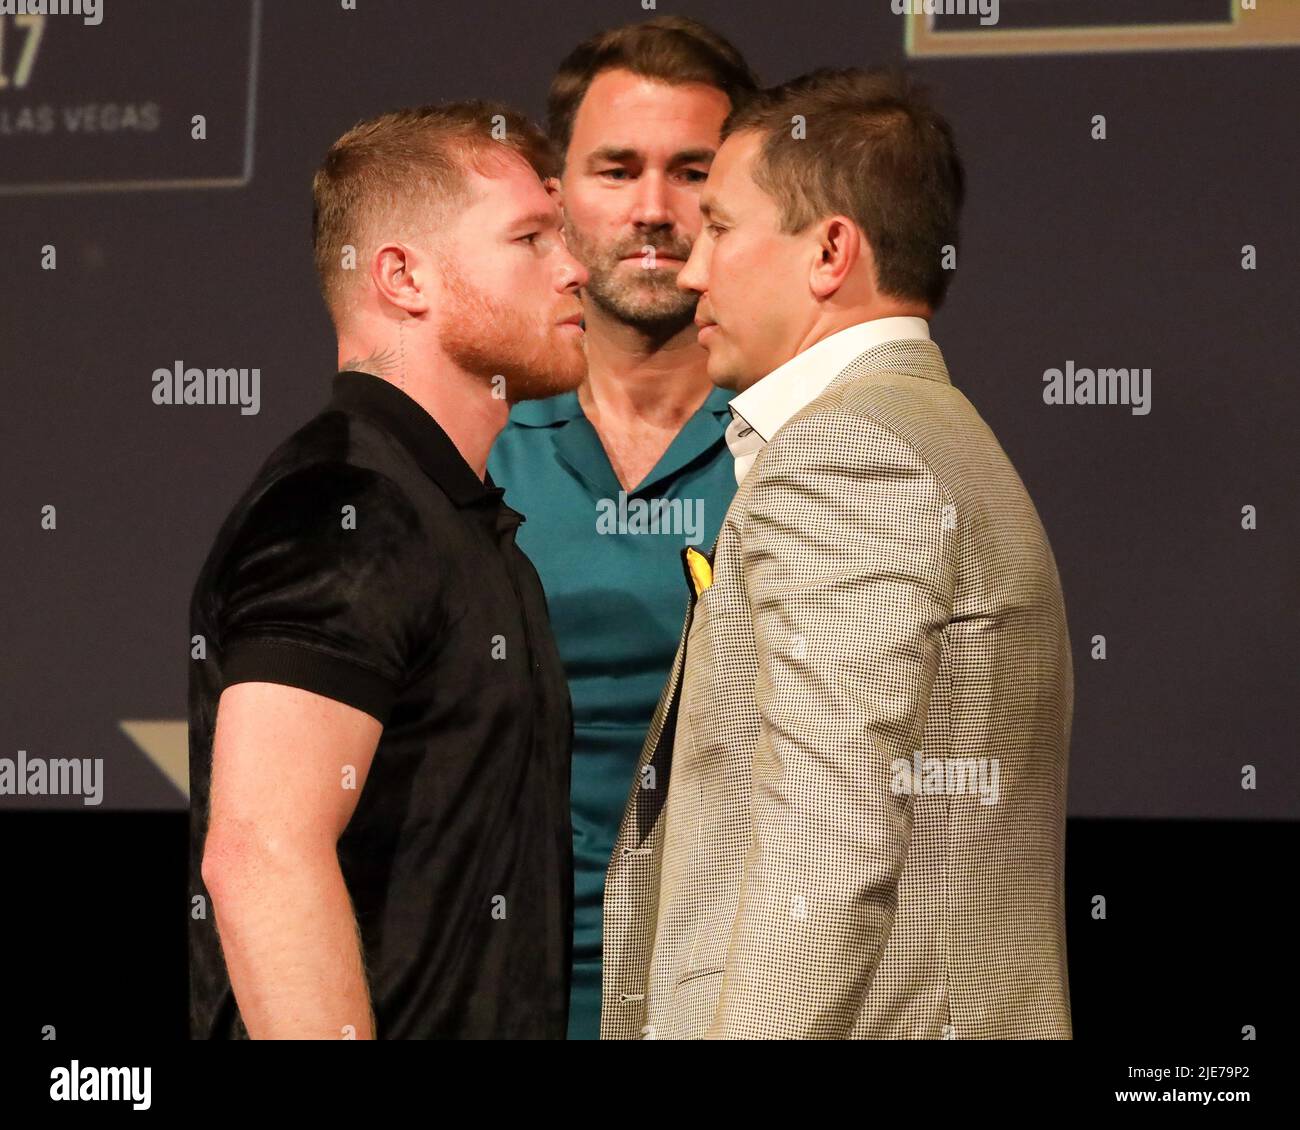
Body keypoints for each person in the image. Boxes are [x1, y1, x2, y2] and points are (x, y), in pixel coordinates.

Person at [602, 68, 1074, 1039]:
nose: (691, 270)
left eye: (722, 228)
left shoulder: (851, 451)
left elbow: (829, 842)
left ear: (829, 251)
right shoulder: (918, 430)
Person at [189, 101, 588, 1039]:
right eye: (530, 237)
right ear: (403, 278)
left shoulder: (460, 522)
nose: (575, 268)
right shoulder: (349, 507)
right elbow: (260, 854)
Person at [487, 16, 758, 1039]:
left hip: (735, 1008)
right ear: (556, 196)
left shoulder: (800, 451)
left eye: (692, 171)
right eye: (615, 168)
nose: (652, 209)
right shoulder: (470, 449)